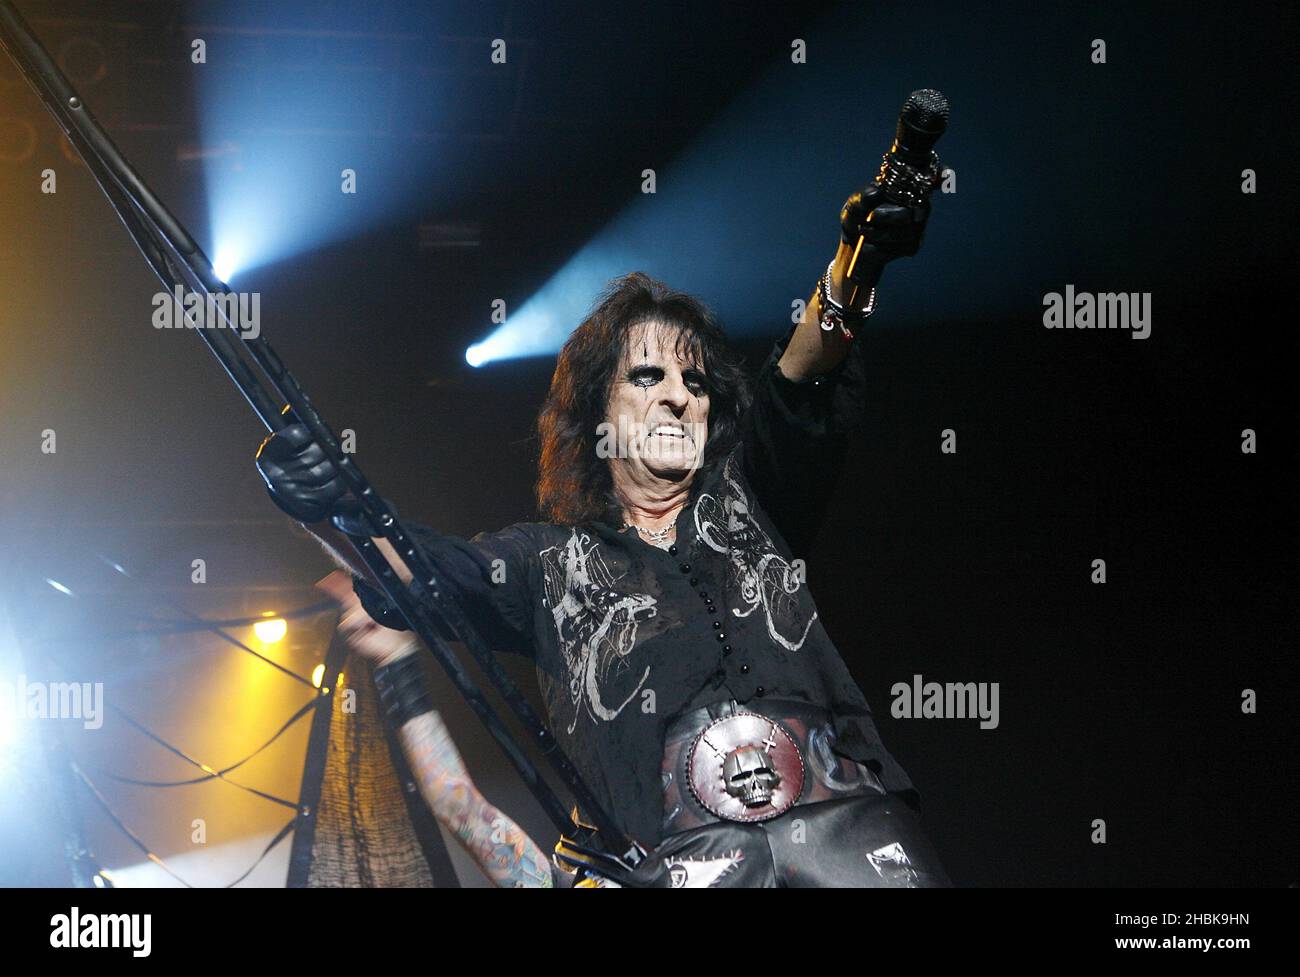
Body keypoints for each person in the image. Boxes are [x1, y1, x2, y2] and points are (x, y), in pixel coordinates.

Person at [257, 181, 952, 887]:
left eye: (696, 381)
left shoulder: (755, 495)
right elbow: (417, 572)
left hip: (851, 832)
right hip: (686, 860)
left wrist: (855, 267)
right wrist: (326, 505)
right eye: (646, 376)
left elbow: (803, 374)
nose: (678, 394)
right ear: (599, 413)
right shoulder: (543, 565)